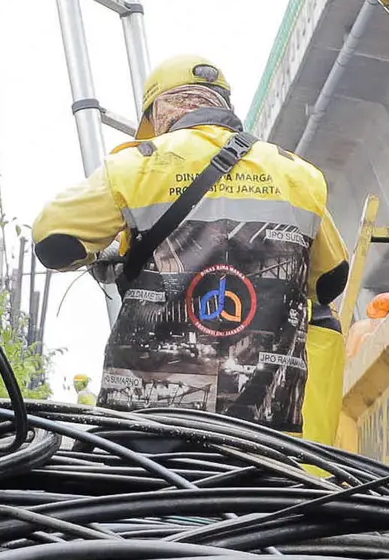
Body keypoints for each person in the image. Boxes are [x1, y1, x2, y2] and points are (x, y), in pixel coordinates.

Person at [31, 56, 352, 441]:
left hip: (149, 421)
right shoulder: (298, 174)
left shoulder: (139, 165)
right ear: (223, 107)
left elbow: (53, 241)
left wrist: (110, 251)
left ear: (157, 115)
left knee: (137, 502)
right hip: (267, 426)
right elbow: (330, 281)